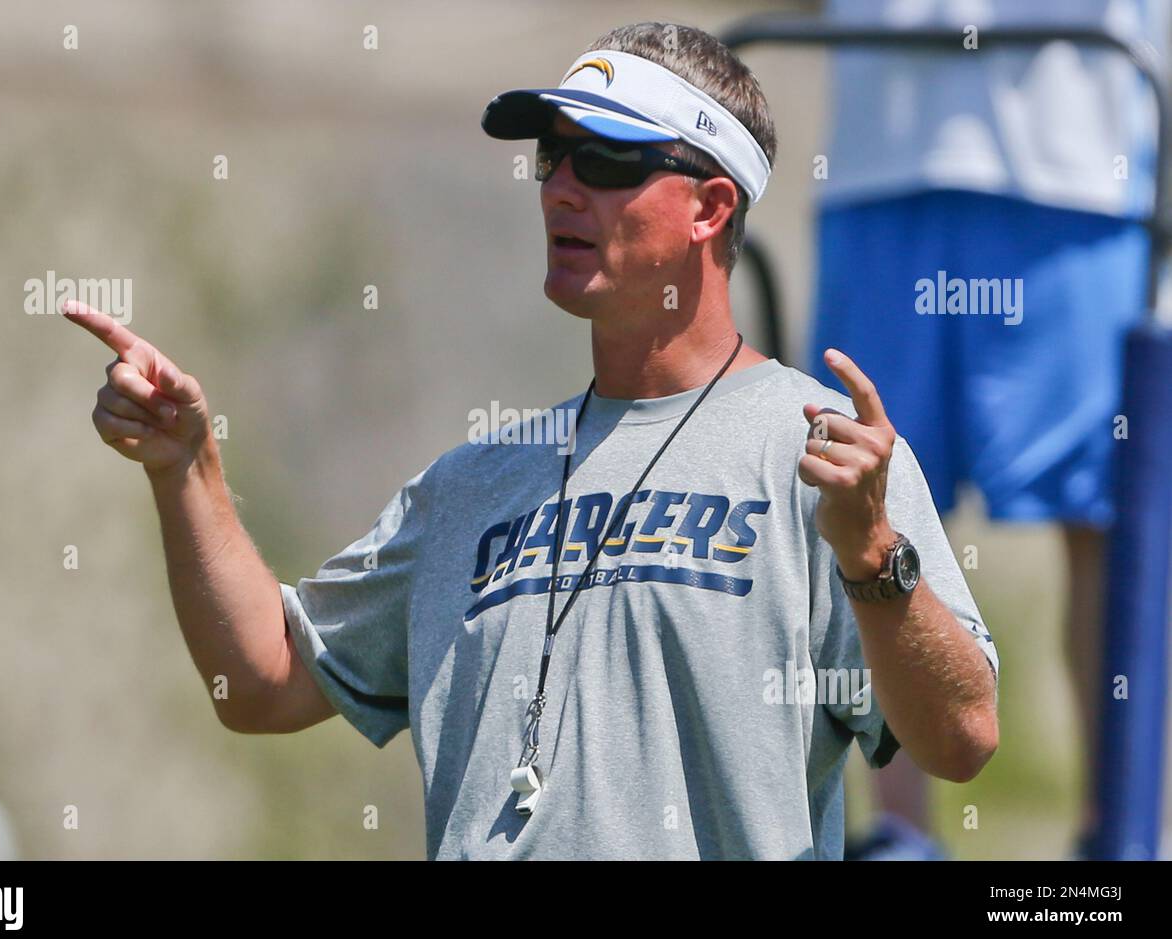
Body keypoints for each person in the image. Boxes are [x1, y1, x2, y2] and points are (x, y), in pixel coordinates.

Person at [63, 21, 999, 860]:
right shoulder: (470, 483)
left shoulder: (825, 459)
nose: (559, 187)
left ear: (711, 208)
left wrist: (873, 553)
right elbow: (260, 684)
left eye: (605, 162)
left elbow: (960, 739)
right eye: (552, 158)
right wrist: (186, 469)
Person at [810, 0, 1165, 860]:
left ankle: (1124, 836)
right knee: (863, 497)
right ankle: (898, 835)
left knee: (1110, 518)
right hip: (879, 151)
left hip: (1079, 154)